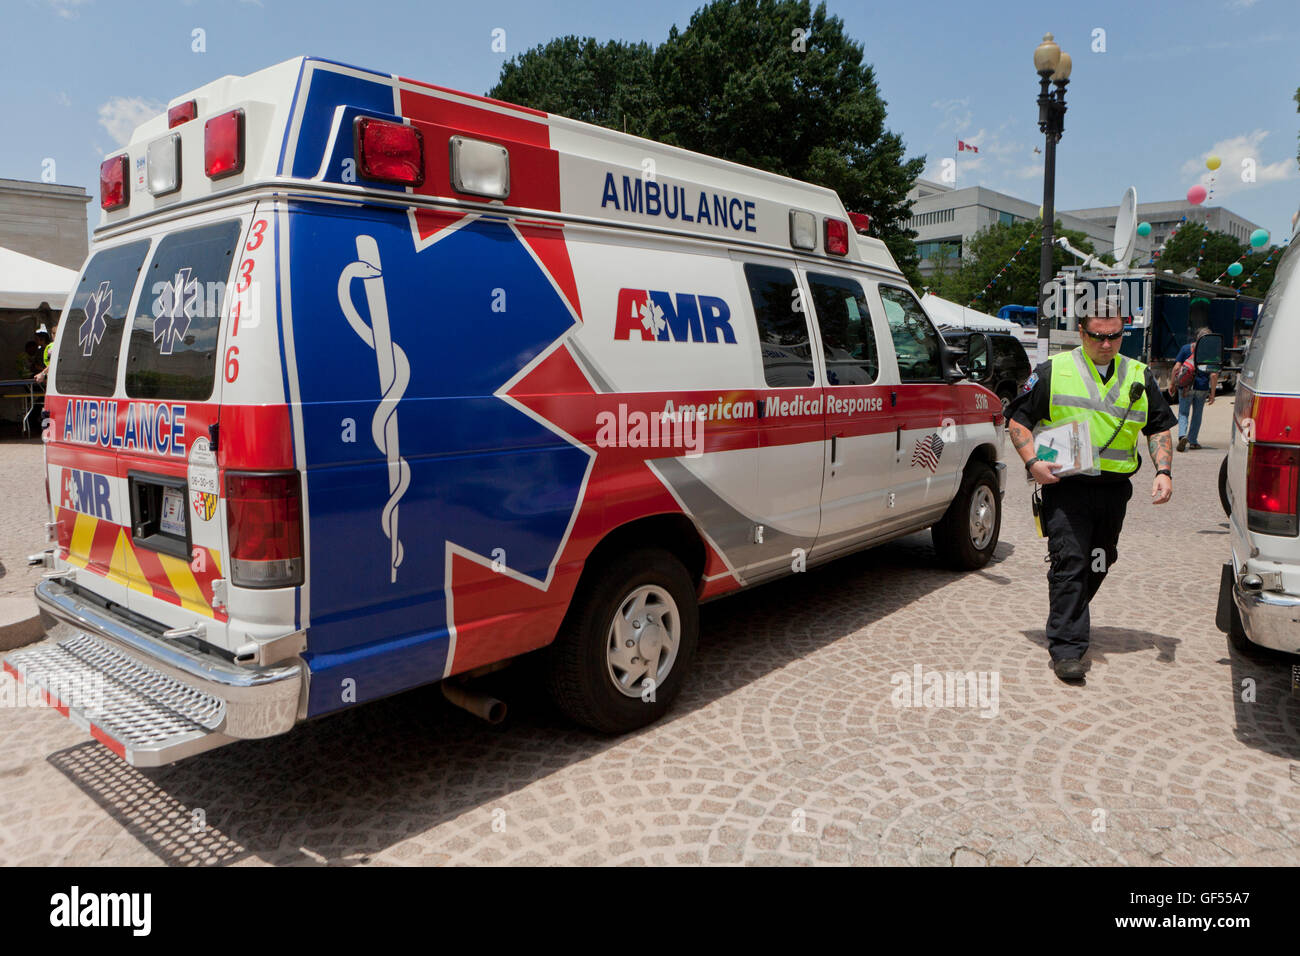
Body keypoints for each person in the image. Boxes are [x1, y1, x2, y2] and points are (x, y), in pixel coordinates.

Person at [1006, 311, 1177, 682]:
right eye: (1098, 336)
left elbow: (1159, 427)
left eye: (1114, 336)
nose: (1105, 344)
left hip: (1114, 490)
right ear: (1081, 333)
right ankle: (1067, 648)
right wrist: (1032, 462)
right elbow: (1017, 420)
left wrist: (1163, 471)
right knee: (1070, 559)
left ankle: (1070, 611)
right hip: (1066, 487)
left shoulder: (1138, 375)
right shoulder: (1053, 370)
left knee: (1100, 559)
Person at [1173, 327, 1218, 451]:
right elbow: (1214, 375)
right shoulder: (1211, 352)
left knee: (1183, 413)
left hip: (1186, 386)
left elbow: (1176, 368)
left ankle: (1182, 435)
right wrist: (1212, 394)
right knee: (1197, 415)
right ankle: (1193, 441)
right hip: (1202, 388)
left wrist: (1173, 384)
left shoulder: (1186, 348)